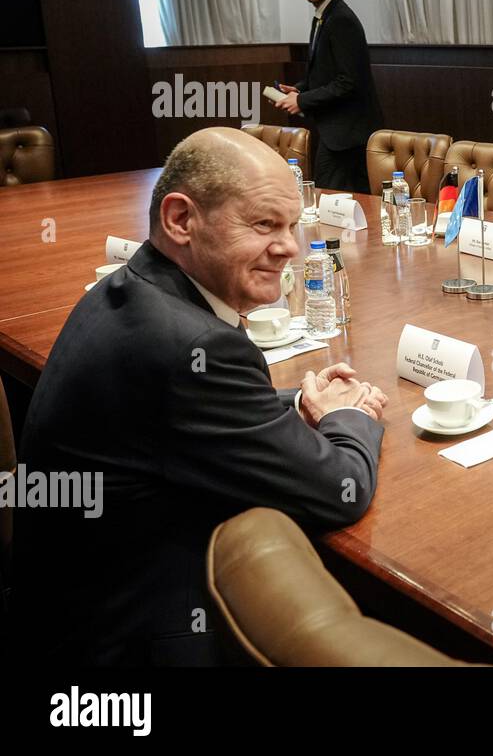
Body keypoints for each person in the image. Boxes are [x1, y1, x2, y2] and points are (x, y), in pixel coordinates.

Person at [14, 128, 389, 665]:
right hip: (129, 647)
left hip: (61, 608)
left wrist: (294, 404)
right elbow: (340, 492)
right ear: (181, 220)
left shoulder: (129, 290)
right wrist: (349, 416)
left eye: (291, 226)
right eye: (264, 224)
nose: (288, 248)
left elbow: (172, 414)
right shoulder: (197, 346)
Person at [275, 0, 382, 193]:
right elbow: (327, 74)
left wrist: (303, 100)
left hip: (349, 137)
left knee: (331, 202)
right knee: (334, 204)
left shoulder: (340, 19)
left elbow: (348, 81)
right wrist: (300, 89)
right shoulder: (323, 16)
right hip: (338, 134)